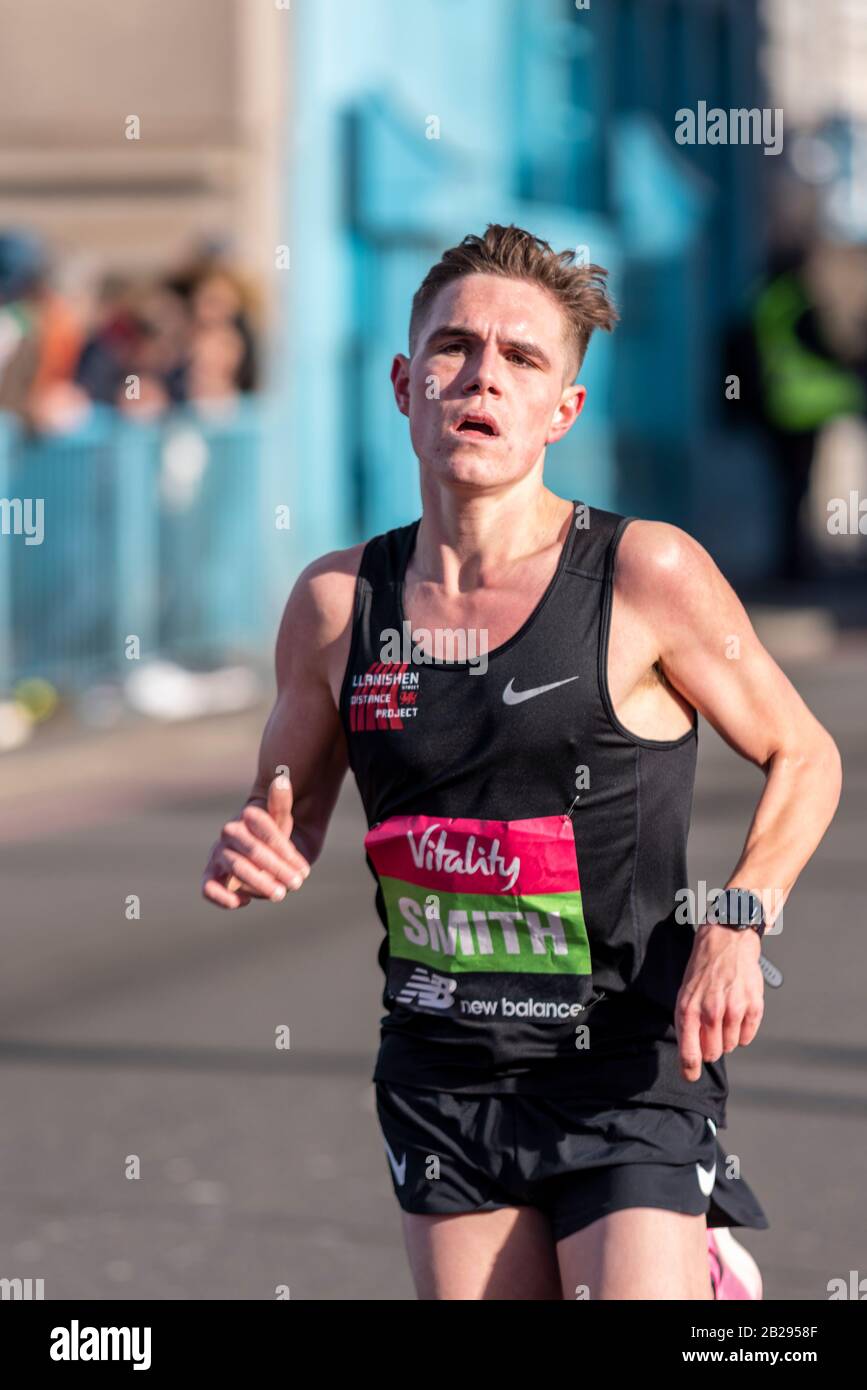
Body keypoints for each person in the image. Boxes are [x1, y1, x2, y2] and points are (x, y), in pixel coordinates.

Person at [201, 224, 842, 1300]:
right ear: (406, 383)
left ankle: (693, 1253)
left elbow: (804, 751)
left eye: (522, 358)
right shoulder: (332, 606)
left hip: (626, 1061)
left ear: (563, 411)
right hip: (443, 1067)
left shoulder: (644, 574)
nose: (480, 377)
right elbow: (290, 815)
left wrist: (742, 915)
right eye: (453, 349)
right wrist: (256, 844)